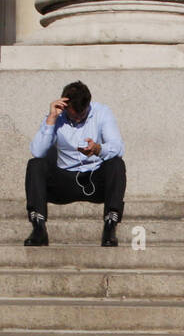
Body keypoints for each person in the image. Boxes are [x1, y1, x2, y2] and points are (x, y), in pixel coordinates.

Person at [25, 80, 126, 247]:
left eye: (82, 114)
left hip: (94, 179)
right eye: (74, 115)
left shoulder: (102, 112)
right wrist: (51, 119)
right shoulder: (57, 117)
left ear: (88, 105)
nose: (78, 118)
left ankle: (110, 226)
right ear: (65, 106)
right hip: (65, 182)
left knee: (116, 163)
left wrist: (98, 149)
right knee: (35, 164)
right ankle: (38, 227)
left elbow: (118, 147)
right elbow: (38, 152)